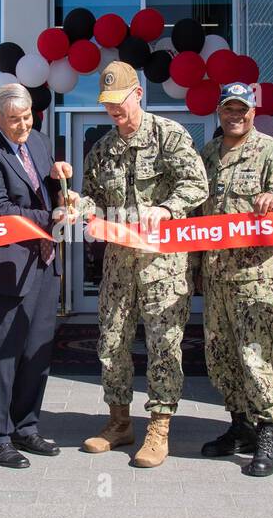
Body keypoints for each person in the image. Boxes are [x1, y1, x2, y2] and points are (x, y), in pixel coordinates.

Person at [66, 61, 208, 469]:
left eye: (120, 101)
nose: (114, 110)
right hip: (117, 267)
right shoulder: (102, 148)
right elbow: (93, 197)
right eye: (107, 103)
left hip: (163, 266)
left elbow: (197, 184)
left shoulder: (169, 136)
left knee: (164, 346)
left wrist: (166, 207)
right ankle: (119, 421)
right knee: (111, 343)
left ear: (138, 94)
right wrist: (80, 206)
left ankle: (159, 427)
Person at [194, 82, 273, 477]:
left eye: (242, 109)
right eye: (229, 108)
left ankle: (266, 432)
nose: (235, 115)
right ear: (219, 112)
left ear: (253, 113)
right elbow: (195, 210)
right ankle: (238, 425)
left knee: (255, 356)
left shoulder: (270, 152)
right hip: (217, 277)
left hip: (258, 277)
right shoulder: (207, 155)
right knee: (222, 356)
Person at [0, 83, 74, 469]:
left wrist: (60, 184)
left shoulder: (40, 140)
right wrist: (50, 218)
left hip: (44, 265)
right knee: (3, 356)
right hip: (6, 270)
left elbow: (44, 190)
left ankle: (26, 428)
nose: (22, 125)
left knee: (37, 353)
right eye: (13, 119)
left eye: (27, 116)